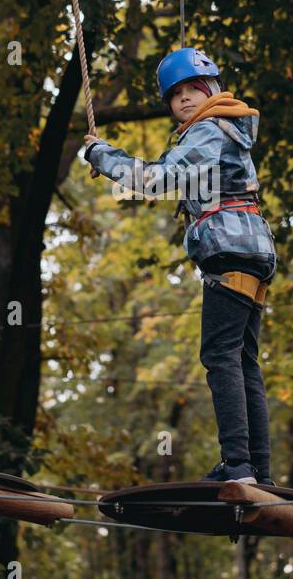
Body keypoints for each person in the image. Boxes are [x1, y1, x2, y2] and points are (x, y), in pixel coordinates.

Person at [83, 47, 277, 485]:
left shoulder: (208, 129)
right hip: (253, 248)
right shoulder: (229, 128)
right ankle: (258, 471)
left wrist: (101, 156)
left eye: (195, 88)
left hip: (230, 248)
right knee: (243, 360)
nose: (186, 99)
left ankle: (239, 466)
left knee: (219, 355)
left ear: (213, 90)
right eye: (177, 94)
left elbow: (157, 179)